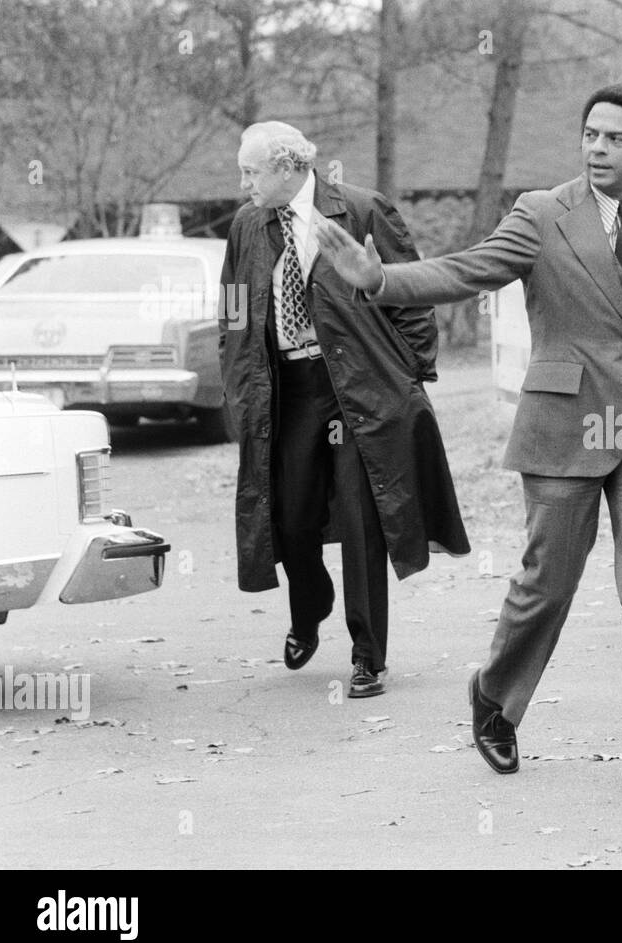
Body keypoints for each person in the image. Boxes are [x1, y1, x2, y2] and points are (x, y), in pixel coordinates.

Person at [316, 85, 622, 796]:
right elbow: (467, 269)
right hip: (566, 419)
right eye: (589, 134)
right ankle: (495, 694)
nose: (596, 148)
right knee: (547, 583)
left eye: (614, 139)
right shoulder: (541, 215)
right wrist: (380, 279)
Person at [218, 121, 470, 699]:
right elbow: (233, 309)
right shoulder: (247, 225)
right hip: (287, 390)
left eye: (250, 171)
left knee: (362, 520)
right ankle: (309, 607)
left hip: (356, 386)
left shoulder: (358, 209)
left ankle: (367, 656)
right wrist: (238, 385)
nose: (242, 183)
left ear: (287, 168)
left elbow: (412, 291)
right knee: (292, 516)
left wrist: (408, 374)